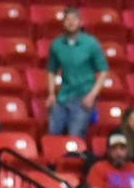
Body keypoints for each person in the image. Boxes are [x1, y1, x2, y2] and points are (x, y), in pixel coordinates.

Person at [46, 10, 111, 141]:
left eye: (74, 19)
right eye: (67, 20)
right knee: (53, 134)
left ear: (80, 22)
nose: (71, 23)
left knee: (75, 137)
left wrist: (92, 95)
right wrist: (51, 93)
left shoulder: (91, 43)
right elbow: (51, 70)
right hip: (63, 96)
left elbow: (104, 71)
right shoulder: (57, 44)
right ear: (63, 23)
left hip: (83, 96)